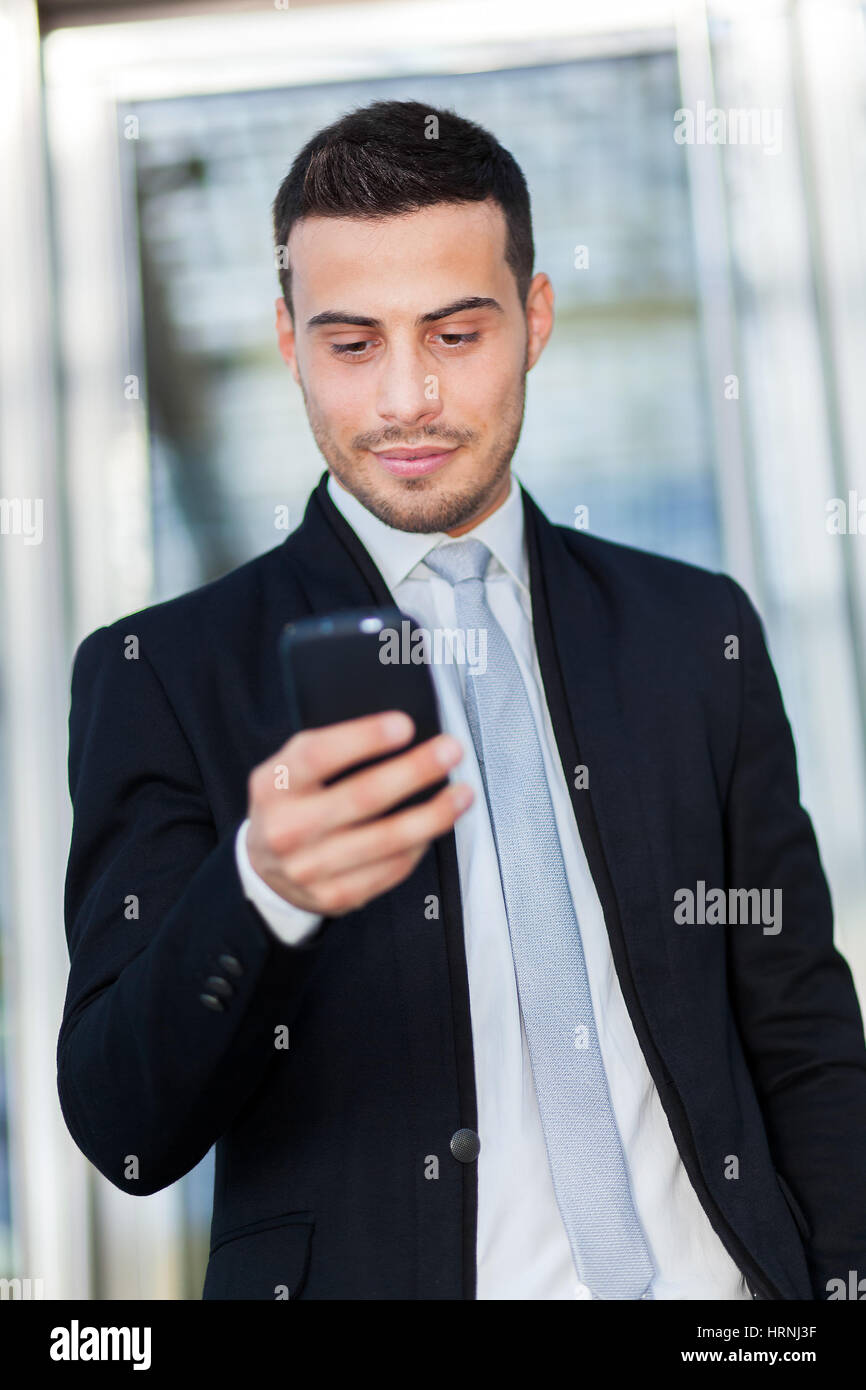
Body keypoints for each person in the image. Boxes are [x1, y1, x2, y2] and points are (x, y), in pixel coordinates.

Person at [59, 99, 866, 1301]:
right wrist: (258, 893)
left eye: (453, 332)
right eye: (351, 344)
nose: (406, 400)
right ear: (287, 340)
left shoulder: (696, 634)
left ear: (533, 319)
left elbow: (801, 1030)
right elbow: (126, 1126)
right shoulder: (162, 674)